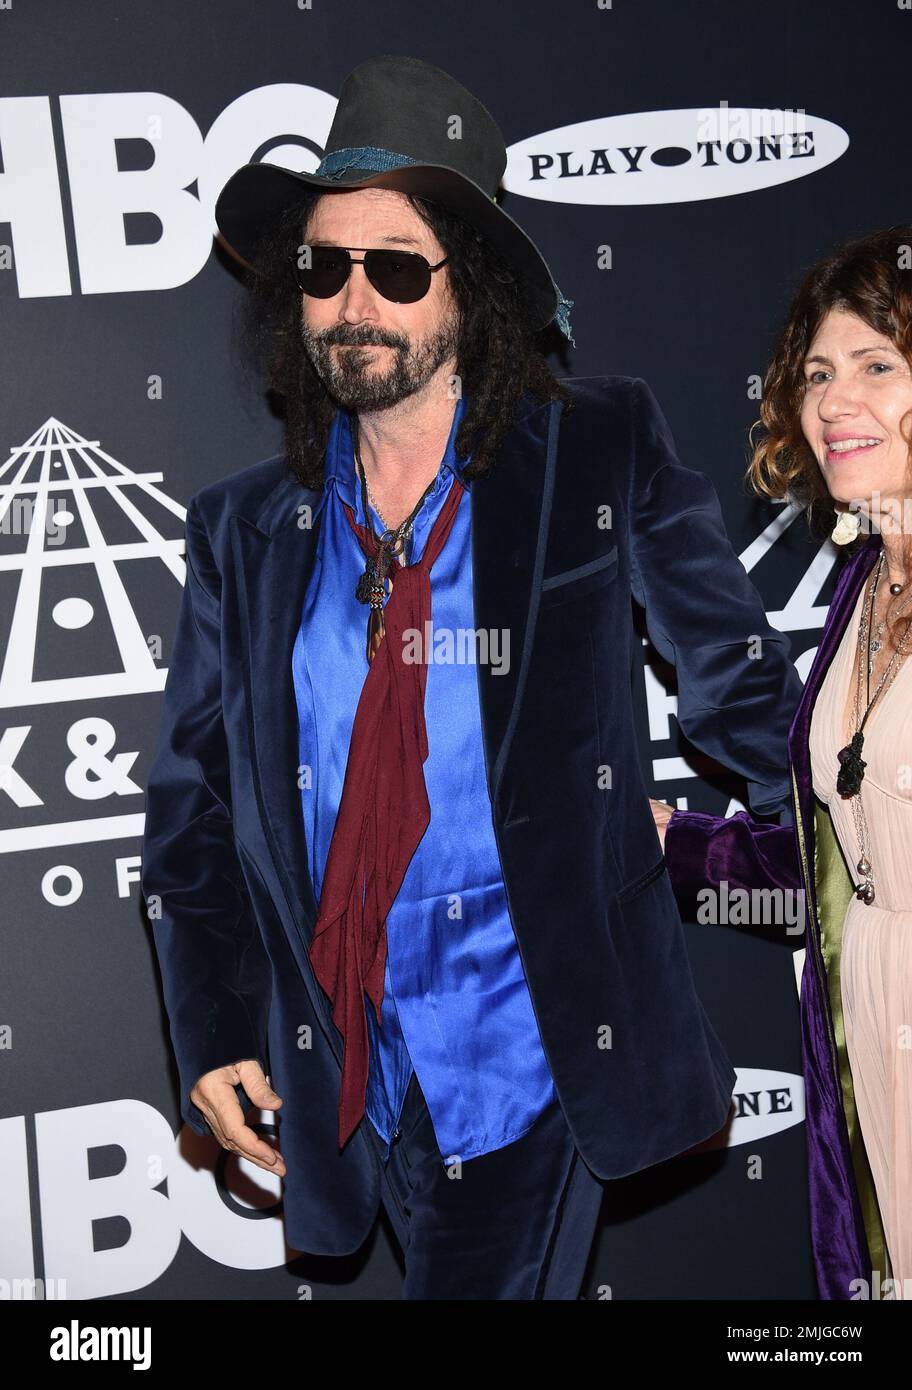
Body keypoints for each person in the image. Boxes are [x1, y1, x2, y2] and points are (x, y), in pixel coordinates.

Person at [141, 54, 802, 1299]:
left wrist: (865, 842)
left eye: (395, 267)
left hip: (534, 1047)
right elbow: (193, 810)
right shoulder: (245, 529)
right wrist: (216, 1029)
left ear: (475, 291)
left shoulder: (598, 450)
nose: (352, 303)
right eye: (323, 267)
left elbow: (742, 685)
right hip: (341, 1070)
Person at [654, 223, 912, 1301]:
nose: (834, 402)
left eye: (878, 365)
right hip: (866, 1046)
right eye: (816, 373)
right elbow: (839, 872)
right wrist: (677, 849)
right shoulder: (864, 589)